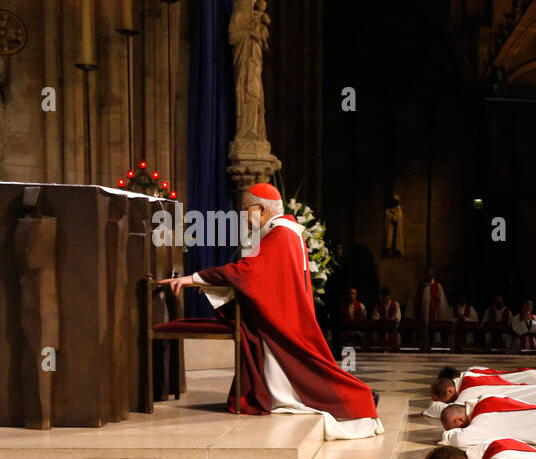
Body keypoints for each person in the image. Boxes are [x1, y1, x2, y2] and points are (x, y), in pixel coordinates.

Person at [157, 183, 382, 439]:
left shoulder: (280, 235)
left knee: (304, 377)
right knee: (307, 370)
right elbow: (263, 281)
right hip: (286, 314)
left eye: (245, 209)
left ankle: (359, 399)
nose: (243, 215)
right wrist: (218, 287)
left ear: (262, 209)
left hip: (283, 320)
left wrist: (195, 278)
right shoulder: (285, 232)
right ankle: (360, 396)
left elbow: (248, 273)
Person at [409, 269, 453, 351]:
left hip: (433, 314)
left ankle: (432, 347)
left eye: (430, 275)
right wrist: (411, 314)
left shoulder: (437, 286)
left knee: (432, 332)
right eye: (426, 275)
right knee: (420, 332)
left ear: (432, 276)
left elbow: (442, 302)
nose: (428, 276)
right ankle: (420, 347)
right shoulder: (419, 286)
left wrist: (442, 317)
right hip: (420, 314)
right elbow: (412, 300)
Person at [371, 286, 401, 352]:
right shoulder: (377, 306)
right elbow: (375, 318)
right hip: (381, 331)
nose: (385, 298)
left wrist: (389, 320)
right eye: (384, 296)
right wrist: (385, 320)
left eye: (387, 295)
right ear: (381, 296)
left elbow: (397, 318)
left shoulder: (395, 304)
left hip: (392, 331)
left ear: (389, 296)